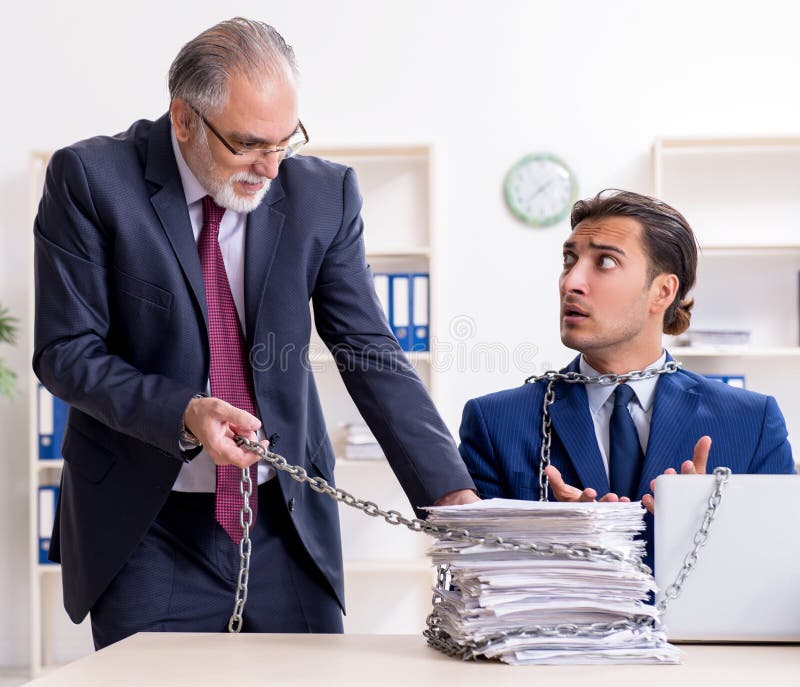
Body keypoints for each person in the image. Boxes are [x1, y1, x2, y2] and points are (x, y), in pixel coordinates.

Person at [33, 17, 477, 649]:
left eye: (284, 141)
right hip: (147, 528)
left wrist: (449, 495)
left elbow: (369, 350)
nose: (270, 168)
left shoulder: (325, 194)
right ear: (183, 120)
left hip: (285, 524)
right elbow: (65, 354)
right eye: (247, 145)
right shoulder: (92, 180)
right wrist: (184, 412)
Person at [458, 189, 795, 572]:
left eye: (604, 261)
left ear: (662, 292)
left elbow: (780, 575)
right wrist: (560, 543)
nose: (571, 282)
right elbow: (470, 588)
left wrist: (710, 529)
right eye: (570, 260)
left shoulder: (750, 423)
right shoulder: (495, 422)